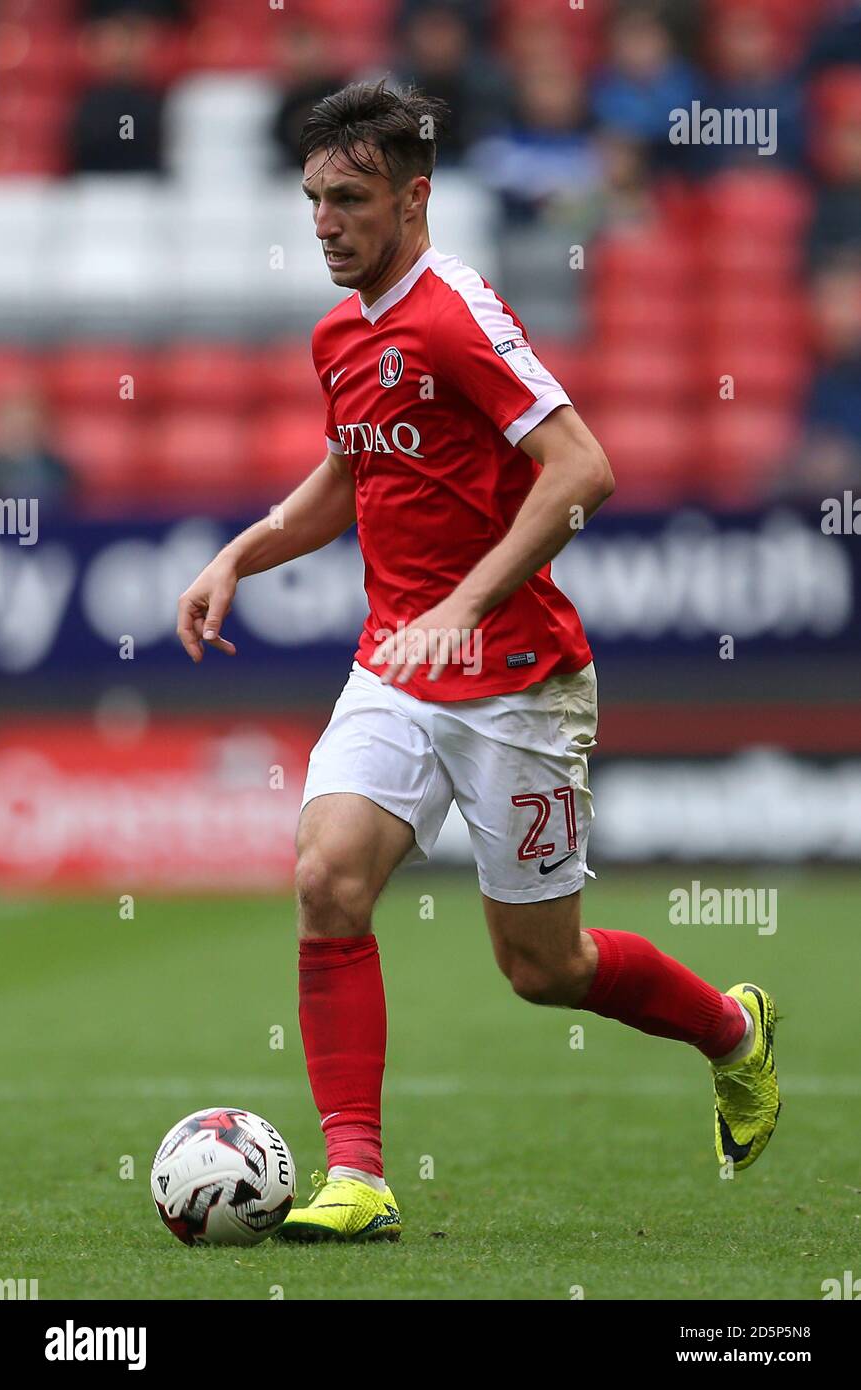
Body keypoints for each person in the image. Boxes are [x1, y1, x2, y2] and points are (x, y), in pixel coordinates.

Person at [176, 80, 781, 1242]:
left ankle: (731, 1032)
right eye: (311, 199)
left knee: (542, 969)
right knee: (325, 880)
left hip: (514, 681)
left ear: (414, 197)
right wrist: (241, 554)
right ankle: (354, 1172)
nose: (323, 223)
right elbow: (351, 475)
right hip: (396, 666)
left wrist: (461, 601)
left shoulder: (455, 313)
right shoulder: (338, 332)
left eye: (348, 199)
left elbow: (581, 469)